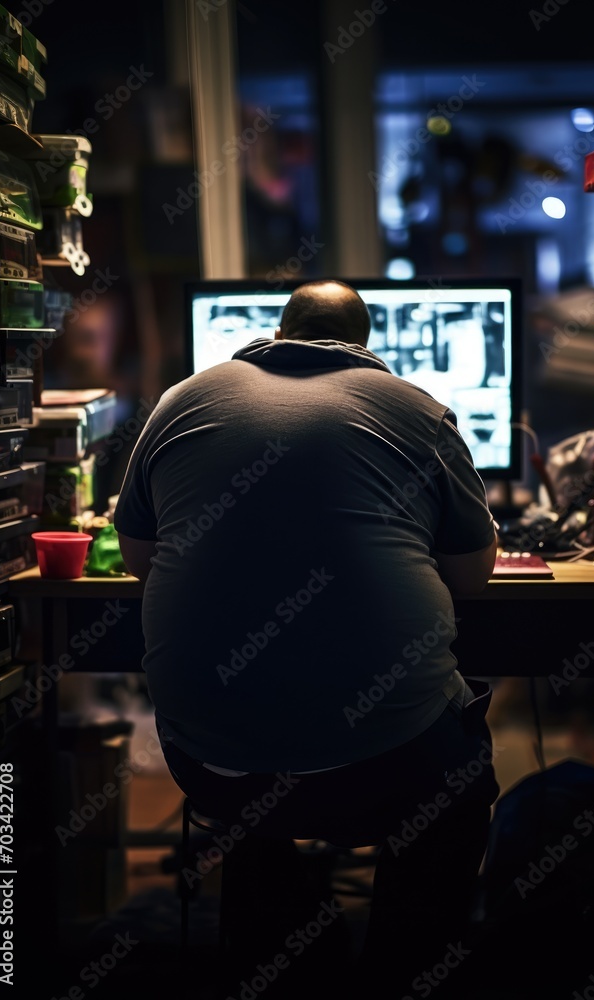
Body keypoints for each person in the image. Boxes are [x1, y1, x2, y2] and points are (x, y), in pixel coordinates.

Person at [113, 279, 500, 999]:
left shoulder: (180, 401)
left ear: (279, 331)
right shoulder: (417, 409)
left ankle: (292, 954)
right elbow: (472, 577)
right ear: (364, 344)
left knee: (252, 800)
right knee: (455, 789)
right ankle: (402, 973)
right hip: (390, 759)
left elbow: (139, 558)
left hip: (212, 758)